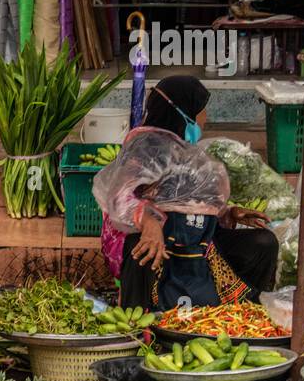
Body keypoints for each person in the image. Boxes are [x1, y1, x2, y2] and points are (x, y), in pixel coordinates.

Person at [93, 75, 279, 310]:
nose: (205, 118)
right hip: (154, 242)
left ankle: (243, 311)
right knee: (142, 249)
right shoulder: (143, 147)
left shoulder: (184, 150)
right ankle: (139, 324)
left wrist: (228, 213)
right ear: (183, 112)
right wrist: (147, 221)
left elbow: (190, 200)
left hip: (192, 241)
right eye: (201, 110)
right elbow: (119, 199)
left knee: (263, 243)